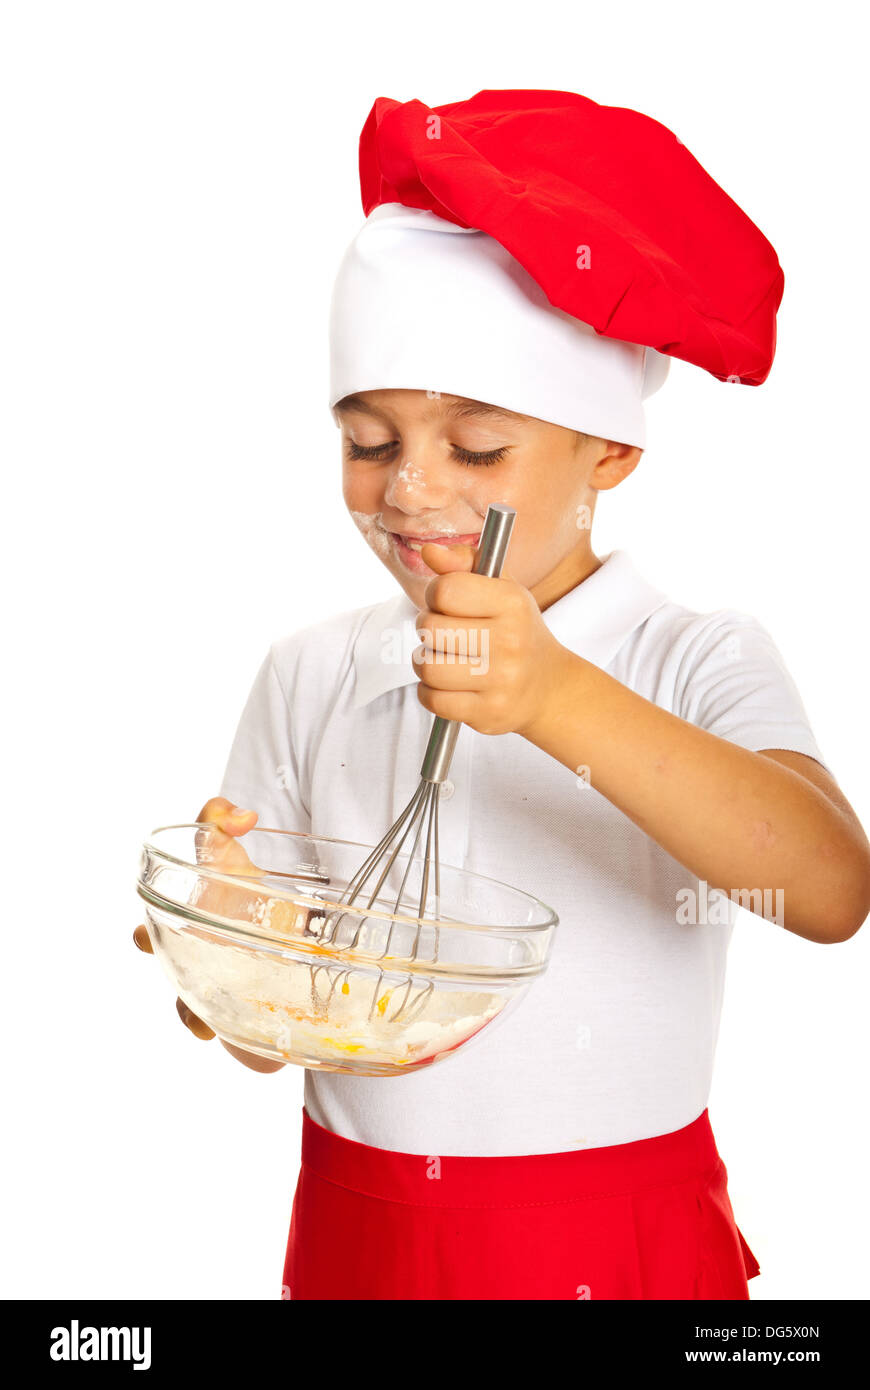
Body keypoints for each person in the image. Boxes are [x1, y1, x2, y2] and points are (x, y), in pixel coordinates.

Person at [134, 90, 870, 1300]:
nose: (411, 489)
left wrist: (554, 697)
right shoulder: (310, 670)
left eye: (477, 449)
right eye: (369, 442)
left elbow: (830, 886)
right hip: (358, 1228)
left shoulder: (688, 656)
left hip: (615, 1235)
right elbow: (296, 999)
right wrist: (241, 966)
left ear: (611, 453)